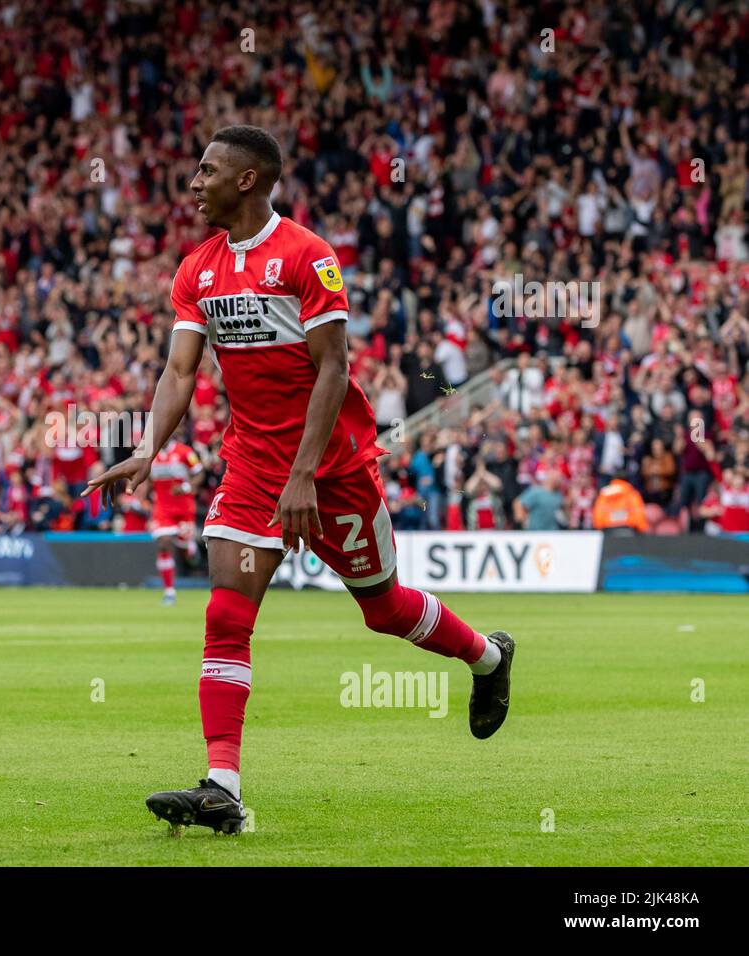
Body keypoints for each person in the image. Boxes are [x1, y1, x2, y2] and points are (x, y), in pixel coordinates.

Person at [83, 126, 514, 835]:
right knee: (226, 612)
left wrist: (307, 475)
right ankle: (222, 787)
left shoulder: (308, 258)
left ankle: (488, 656)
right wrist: (147, 447)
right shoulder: (196, 270)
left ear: (247, 180)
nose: (193, 183)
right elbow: (182, 370)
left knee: (383, 610)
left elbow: (334, 368)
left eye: (206, 171)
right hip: (253, 465)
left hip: (334, 467)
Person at [149, 437, 204, 605]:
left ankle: (190, 547)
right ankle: (169, 592)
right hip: (162, 509)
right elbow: (143, 474)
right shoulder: (150, 452)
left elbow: (199, 474)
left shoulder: (184, 452)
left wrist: (185, 487)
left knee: (184, 550)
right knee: (163, 543)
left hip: (184, 509)